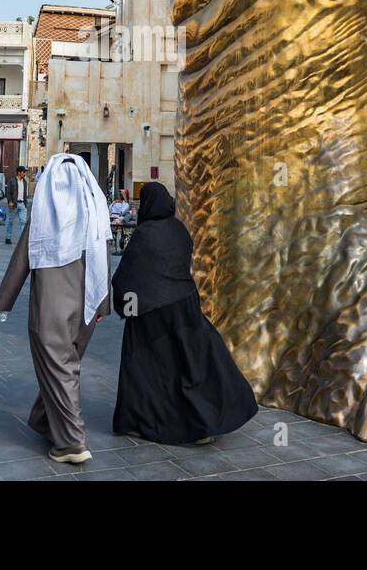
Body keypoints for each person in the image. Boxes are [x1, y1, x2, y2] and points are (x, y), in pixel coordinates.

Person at [110, 182, 258, 444]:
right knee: (189, 364)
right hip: (185, 305)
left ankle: (141, 420)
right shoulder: (178, 229)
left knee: (147, 368)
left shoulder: (145, 234)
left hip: (152, 314)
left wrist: (122, 300)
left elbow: (129, 274)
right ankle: (202, 420)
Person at [0, 154, 112, 464]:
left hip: (50, 312)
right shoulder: (95, 216)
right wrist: (104, 304)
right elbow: (104, 260)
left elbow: (22, 260)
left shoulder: (43, 217)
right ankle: (44, 420)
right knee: (63, 367)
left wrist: (3, 301)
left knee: (60, 369)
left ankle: (71, 444)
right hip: (87, 310)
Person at [4, 166, 29, 245]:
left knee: (23, 222)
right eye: (23, 172)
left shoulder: (25, 182)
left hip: (22, 204)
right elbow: (8, 193)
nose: (25, 173)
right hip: (14, 204)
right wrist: (10, 201)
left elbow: (25, 193)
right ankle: (8, 237)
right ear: (19, 172)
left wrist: (25, 202)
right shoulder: (12, 181)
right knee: (10, 221)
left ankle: (22, 241)